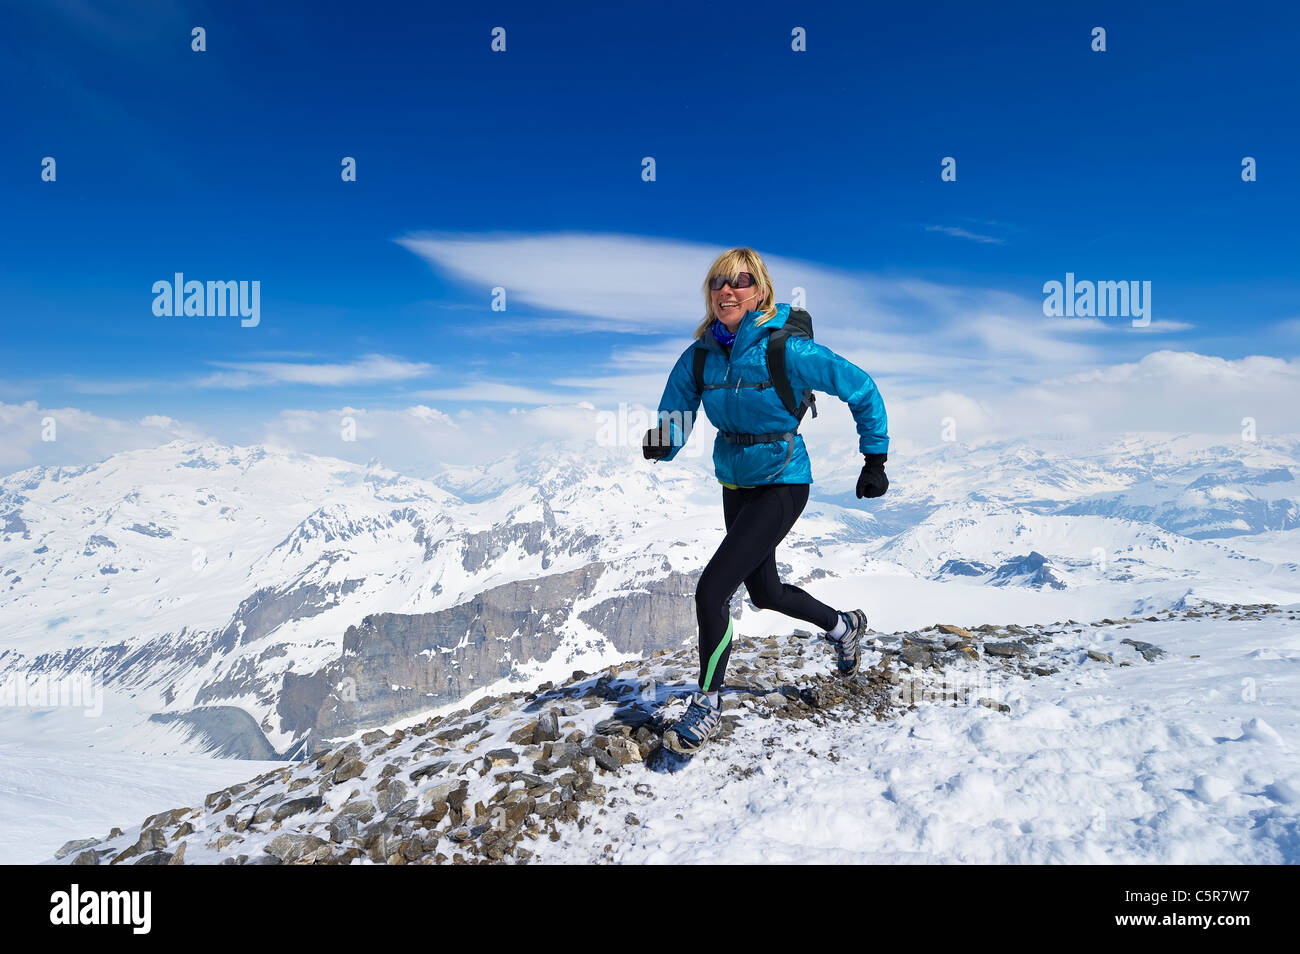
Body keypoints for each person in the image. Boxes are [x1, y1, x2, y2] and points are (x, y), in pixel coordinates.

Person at [642, 246, 889, 755]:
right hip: (735, 484)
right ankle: (844, 628)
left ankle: (707, 705)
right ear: (709, 295)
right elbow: (678, 407)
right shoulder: (701, 355)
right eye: (718, 283)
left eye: (741, 281)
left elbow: (861, 387)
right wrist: (664, 440)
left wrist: (875, 459)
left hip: (782, 481)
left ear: (760, 291)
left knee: (712, 591)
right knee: (765, 592)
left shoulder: (786, 350)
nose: (728, 290)